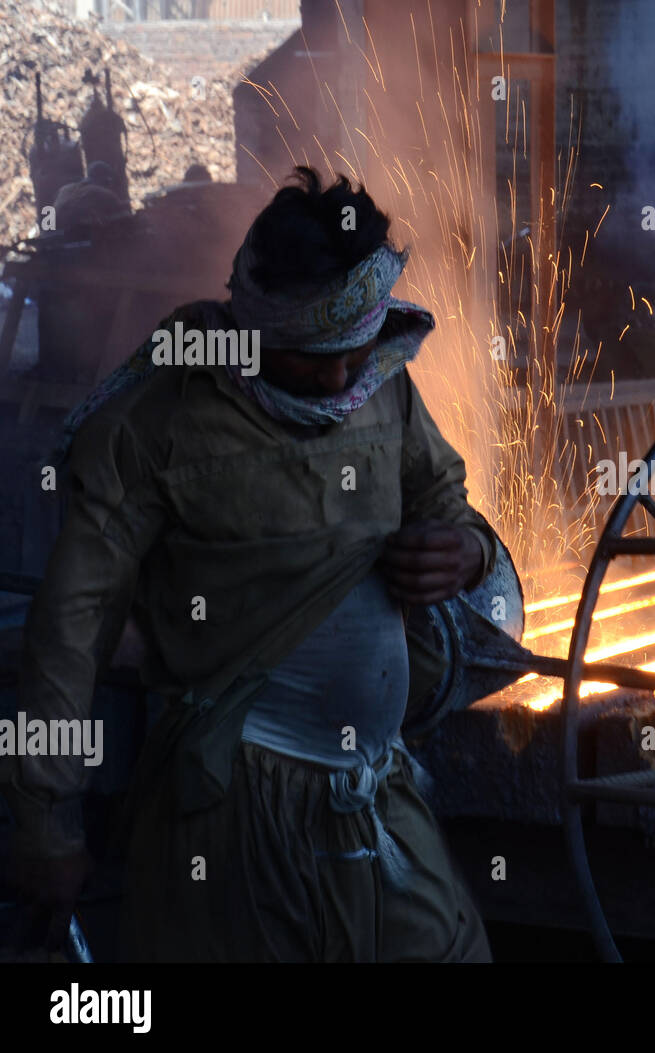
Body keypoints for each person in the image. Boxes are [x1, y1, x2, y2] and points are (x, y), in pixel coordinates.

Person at [1, 166, 496, 962]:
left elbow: (442, 495)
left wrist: (466, 551)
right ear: (254, 328)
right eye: (311, 357)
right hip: (233, 806)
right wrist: (47, 824)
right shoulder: (157, 423)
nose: (340, 379)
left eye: (354, 350)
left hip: (375, 794)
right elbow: (69, 629)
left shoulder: (379, 386)